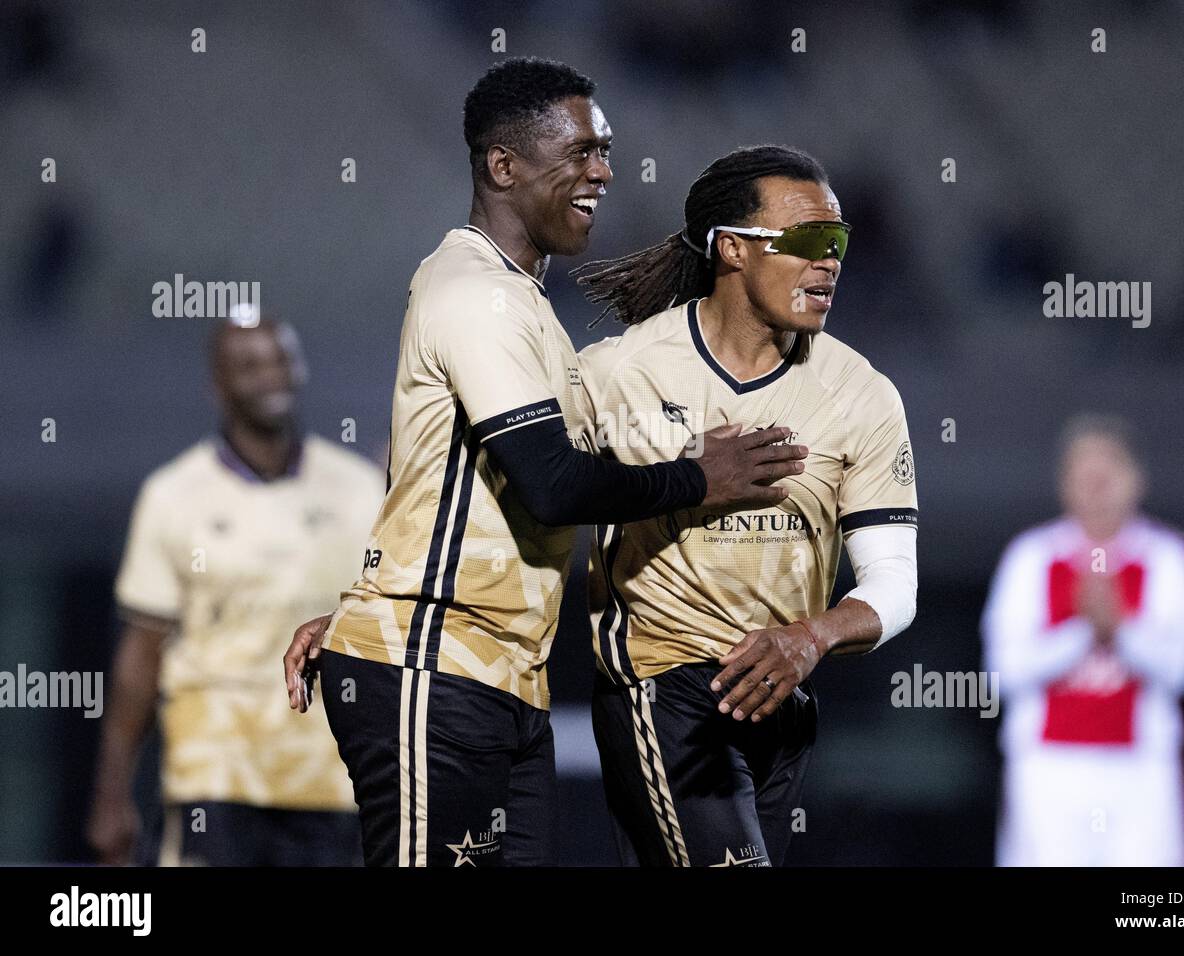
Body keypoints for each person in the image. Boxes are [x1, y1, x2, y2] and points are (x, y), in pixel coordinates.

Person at [284, 58, 808, 867]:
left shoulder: (523, 304)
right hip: (436, 665)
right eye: (582, 152)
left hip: (495, 676)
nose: (603, 171)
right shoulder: (474, 293)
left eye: (606, 150)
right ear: (504, 166)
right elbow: (553, 484)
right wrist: (703, 477)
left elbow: (434, 479)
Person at [570, 144, 919, 866]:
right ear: (730, 249)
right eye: (807, 240)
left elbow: (896, 585)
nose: (830, 262)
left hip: (780, 695)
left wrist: (812, 638)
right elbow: (510, 496)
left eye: (839, 241)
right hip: (662, 684)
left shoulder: (862, 393)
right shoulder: (615, 374)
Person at [87, 314, 384, 866]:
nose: (271, 375)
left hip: (333, 775)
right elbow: (142, 652)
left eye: (280, 359)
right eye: (249, 365)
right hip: (215, 774)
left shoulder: (361, 488)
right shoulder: (173, 495)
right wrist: (112, 793)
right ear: (216, 385)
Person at [981, 414, 1184, 866]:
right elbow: (1002, 673)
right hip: (1049, 769)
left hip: (1142, 768)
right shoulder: (1031, 556)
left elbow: (1180, 669)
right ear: (1065, 484)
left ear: (1136, 479)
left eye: (1110, 474)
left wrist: (1119, 630)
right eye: (1086, 476)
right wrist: (1083, 631)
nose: (1098, 487)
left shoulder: (1168, 557)